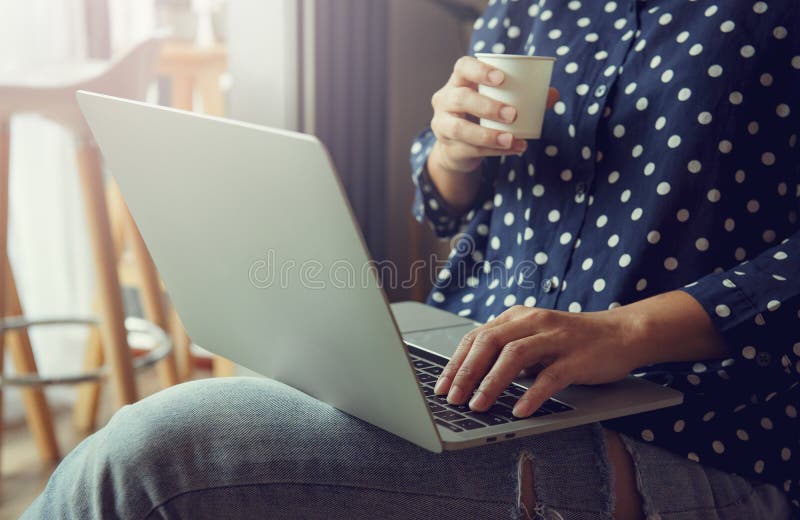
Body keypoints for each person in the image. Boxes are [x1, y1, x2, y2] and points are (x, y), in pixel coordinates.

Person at [25, 1, 798, 519]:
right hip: (466, 361)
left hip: (696, 423)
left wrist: (627, 332)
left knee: (154, 456)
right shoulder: (529, 8)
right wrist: (451, 154)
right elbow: (442, 205)